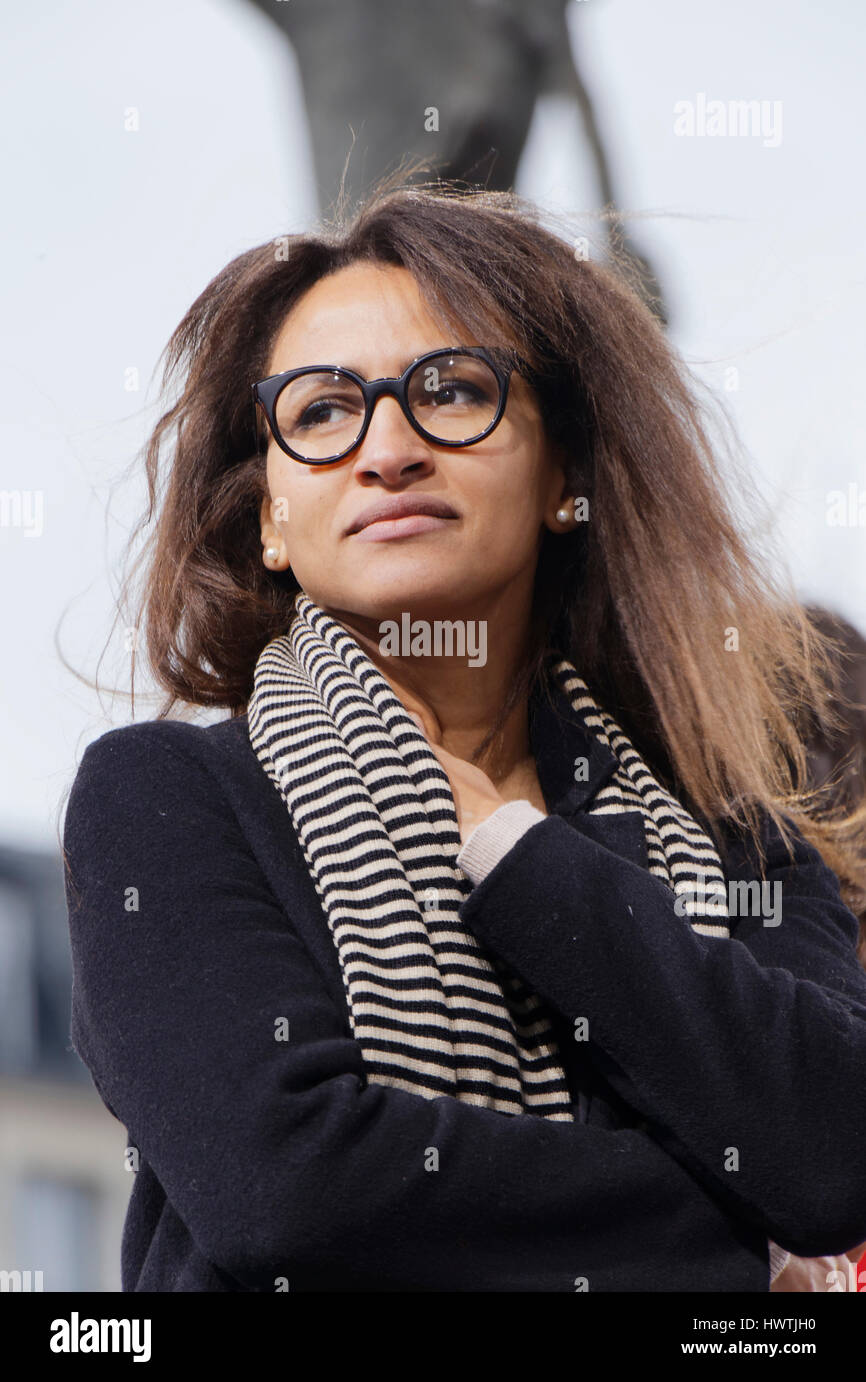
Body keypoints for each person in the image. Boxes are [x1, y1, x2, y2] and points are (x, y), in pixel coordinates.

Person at [62, 178, 866, 1293]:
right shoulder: (164, 801)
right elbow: (286, 1188)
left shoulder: (735, 839)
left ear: (563, 478)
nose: (385, 449)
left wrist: (521, 859)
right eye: (321, 411)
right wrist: (738, 1242)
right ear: (272, 519)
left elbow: (831, 1145)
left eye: (449, 391)